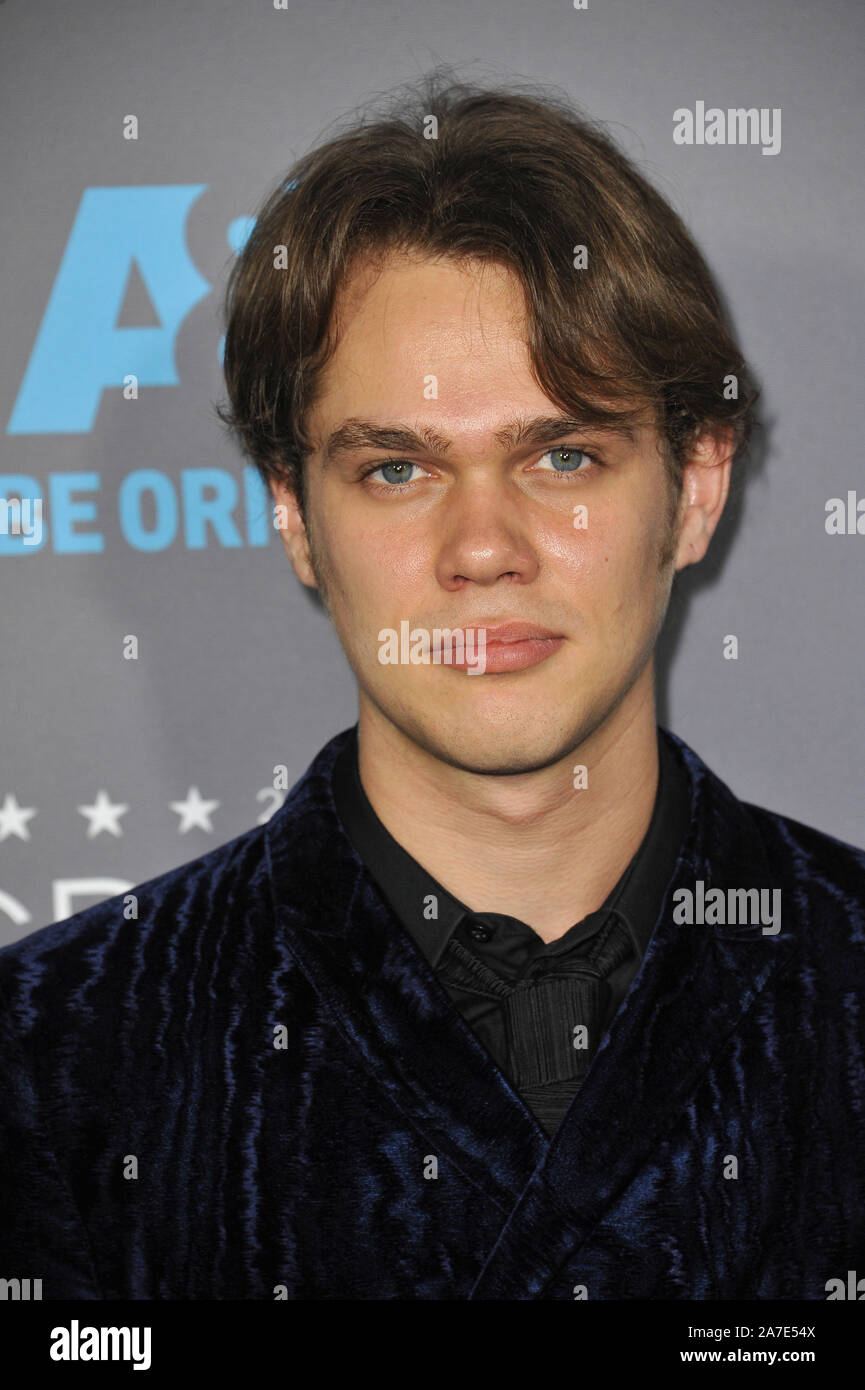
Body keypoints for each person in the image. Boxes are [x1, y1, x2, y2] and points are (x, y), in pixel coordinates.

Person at [2, 73, 864, 1301]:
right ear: (296, 519)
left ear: (696, 486)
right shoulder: (53, 1056)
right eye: (398, 470)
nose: (482, 548)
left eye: (563, 454)